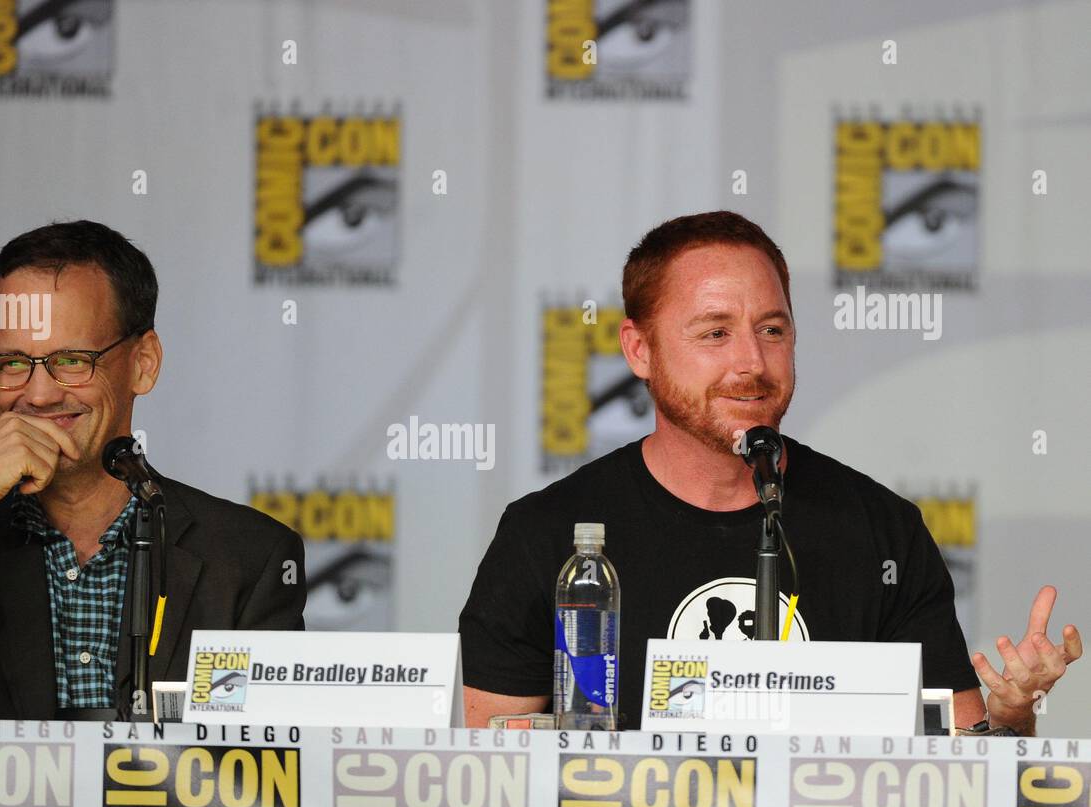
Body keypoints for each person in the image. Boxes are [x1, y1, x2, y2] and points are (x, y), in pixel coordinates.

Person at [460, 211, 1080, 733]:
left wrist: (1012, 716)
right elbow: (500, 791)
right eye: (715, 333)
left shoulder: (883, 532)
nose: (751, 362)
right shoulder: (543, 536)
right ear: (638, 349)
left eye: (772, 329)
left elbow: (956, 776)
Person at [0, 220, 306, 718]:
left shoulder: (248, 560)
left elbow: (266, 777)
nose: (38, 394)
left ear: (143, 363)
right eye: (14, 362)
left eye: (72, 360)